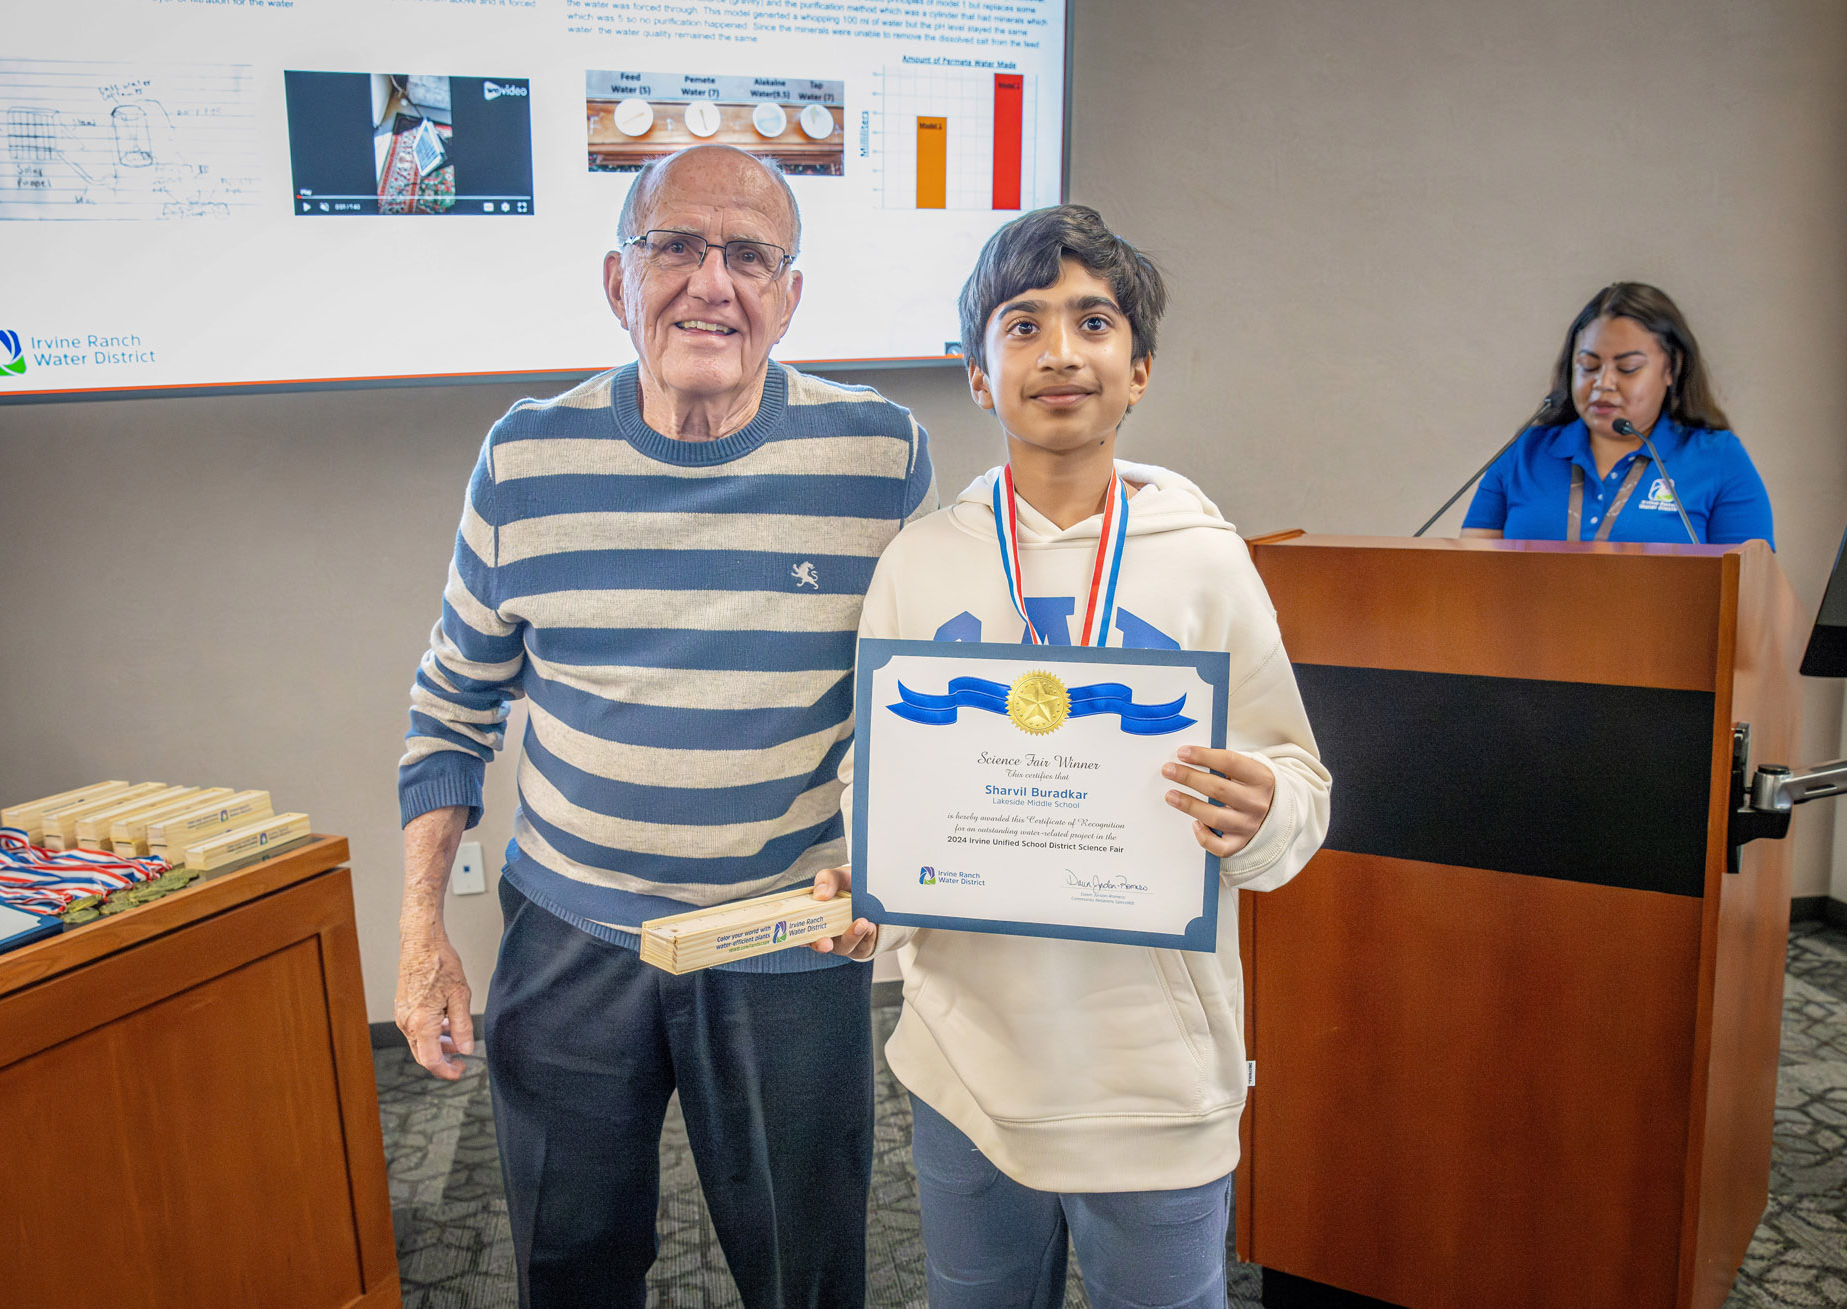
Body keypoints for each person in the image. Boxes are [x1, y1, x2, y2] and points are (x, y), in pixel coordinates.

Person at [393, 143, 935, 1307]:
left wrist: (886, 867)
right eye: (675, 246)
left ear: (789, 297)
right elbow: (450, 706)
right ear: (614, 280)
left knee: (809, 1267)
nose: (711, 282)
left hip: (782, 937)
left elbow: (914, 703)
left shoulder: (878, 456)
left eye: (749, 255)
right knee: (567, 1262)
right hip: (572, 938)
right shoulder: (525, 457)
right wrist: (421, 931)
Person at [811, 205, 1331, 1309]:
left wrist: (1265, 812)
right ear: (975, 373)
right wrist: (871, 872)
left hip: (1151, 1081)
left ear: (1137, 369)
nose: (1058, 352)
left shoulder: (1204, 563)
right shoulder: (919, 560)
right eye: (1022, 324)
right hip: (964, 1061)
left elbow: (1298, 786)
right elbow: (877, 769)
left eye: (1092, 322)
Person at [1461, 282, 1774, 546]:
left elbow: (1753, 597)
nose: (1603, 383)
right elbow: (1466, 580)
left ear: (1672, 367)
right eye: (1589, 367)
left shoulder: (1718, 459)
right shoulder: (1524, 454)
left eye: (1628, 368)